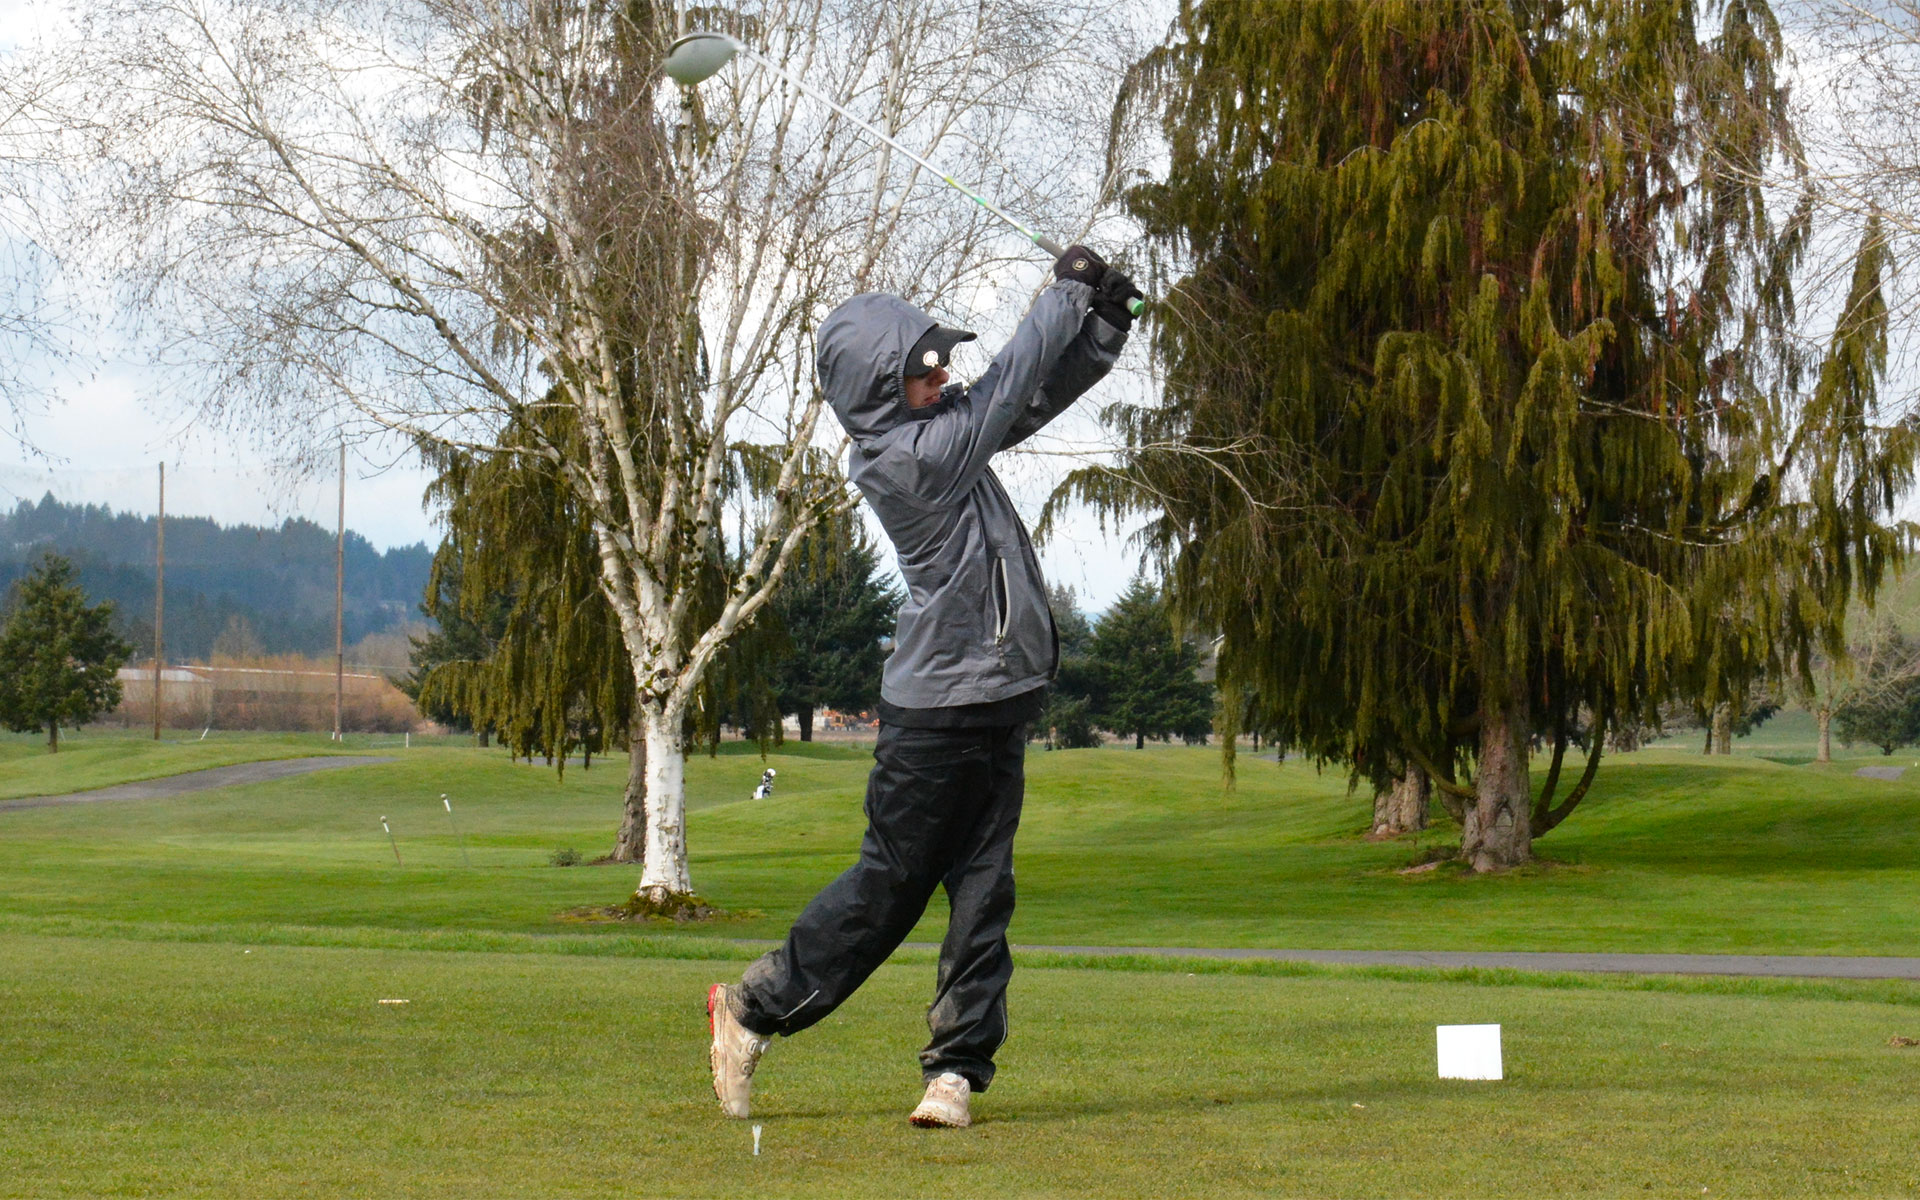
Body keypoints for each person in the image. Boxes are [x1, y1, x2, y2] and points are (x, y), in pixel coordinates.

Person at [706, 246, 1141, 1129]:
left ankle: (955, 1075)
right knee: (889, 892)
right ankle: (750, 1010)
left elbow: (1029, 393)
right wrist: (1064, 291)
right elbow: (1014, 374)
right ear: (875, 388)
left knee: (986, 890)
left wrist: (1102, 323)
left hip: (999, 696)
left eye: (939, 361)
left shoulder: (942, 430)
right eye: (922, 366)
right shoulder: (910, 461)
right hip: (935, 716)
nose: (942, 373)